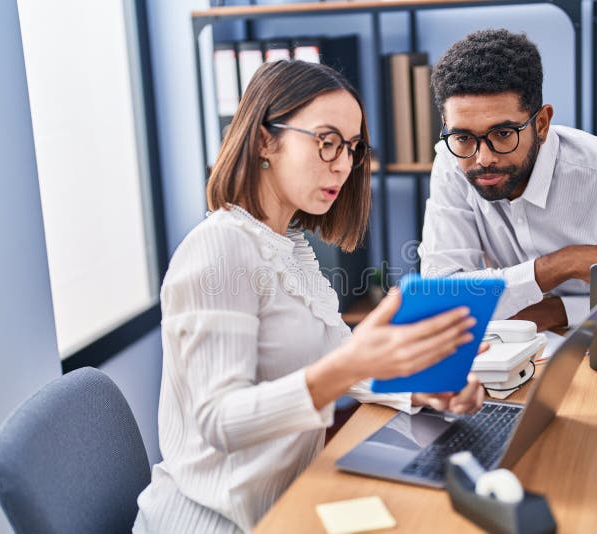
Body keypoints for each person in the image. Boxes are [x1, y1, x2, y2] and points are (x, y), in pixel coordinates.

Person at [133, 60, 486, 534]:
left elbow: (340, 359)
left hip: (287, 504)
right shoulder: (220, 248)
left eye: (353, 148)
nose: (343, 163)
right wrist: (353, 362)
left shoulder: (290, 246)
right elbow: (220, 420)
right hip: (216, 521)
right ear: (264, 140)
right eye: (326, 142)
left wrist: (421, 388)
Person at [419, 29, 597, 332]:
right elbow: (441, 301)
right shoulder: (451, 163)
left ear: (541, 124)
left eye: (502, 134)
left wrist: (557, 311)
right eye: (463, 137)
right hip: (516, 358)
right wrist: (559, 266)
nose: (482, 158)